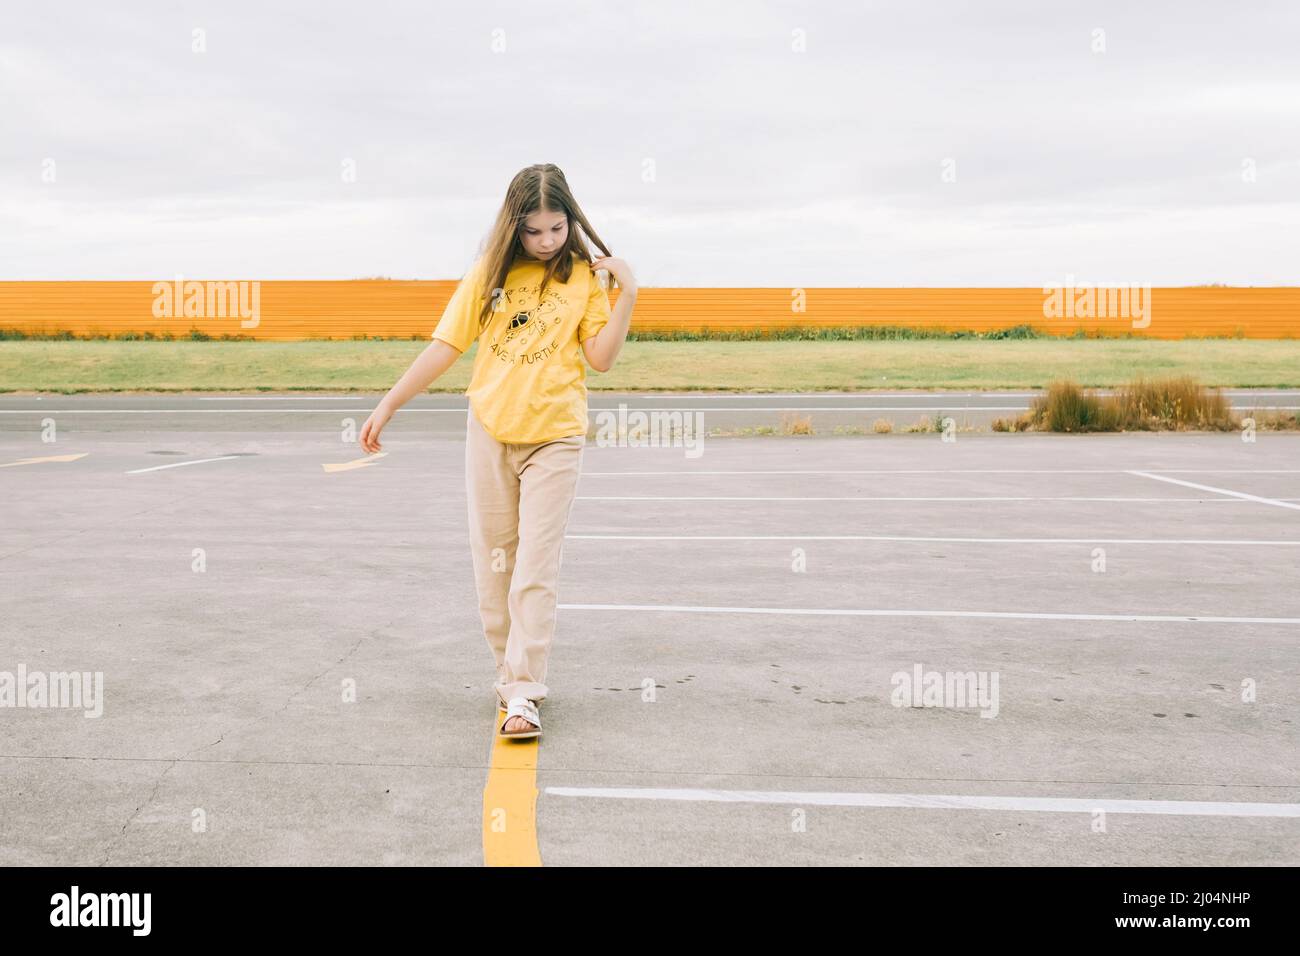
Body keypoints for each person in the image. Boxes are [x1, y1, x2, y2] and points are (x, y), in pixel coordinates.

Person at [359, 163, 637, 739]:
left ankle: (524, 692)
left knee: (535, 567)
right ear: (514, 226)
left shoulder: (584, 278)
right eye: (533, 232)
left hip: (555, 434)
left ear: (571, 220)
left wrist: (628, 292)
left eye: (556, 229)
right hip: (489, 429)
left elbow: (602, 358)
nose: (545, 242)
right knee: (495, 565)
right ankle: (507, 679)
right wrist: (388, 405)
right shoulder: (489, 274)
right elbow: (445, 346)